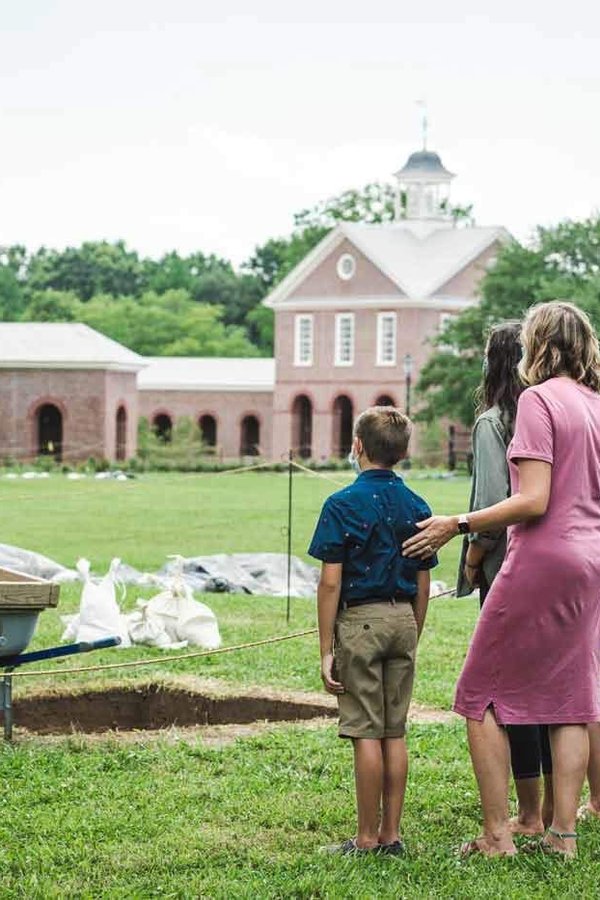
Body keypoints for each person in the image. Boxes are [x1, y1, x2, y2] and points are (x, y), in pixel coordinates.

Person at [403, 300, 600, 857]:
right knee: (571, 700)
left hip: (544, 560)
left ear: (537, 344)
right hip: (591, 561)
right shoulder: (595, 403)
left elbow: (532, 501)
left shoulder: (538, 399)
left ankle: (497, 837)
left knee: (478, 695)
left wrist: (456, 523)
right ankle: (564, 836)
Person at [308, 406, 438, 854]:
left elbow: (330, 582)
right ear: (402, 452)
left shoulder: (340, 504)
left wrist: (327, 649)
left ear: (357, 446)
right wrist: (412, 629)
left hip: (359, 622)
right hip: (403, 617)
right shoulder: (419, 506)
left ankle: (365, 838)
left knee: (364, 730)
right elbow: (423, 582)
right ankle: (392, 835)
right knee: (394, 731)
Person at [458, 321, 553, 836]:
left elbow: (493, 501)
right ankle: (558, 812)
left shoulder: (494, 422)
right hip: (556, 567)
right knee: (552, 691)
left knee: (503, 694)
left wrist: (473, 559)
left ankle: (527, 815)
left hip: (507, 571)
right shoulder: (553, 413)